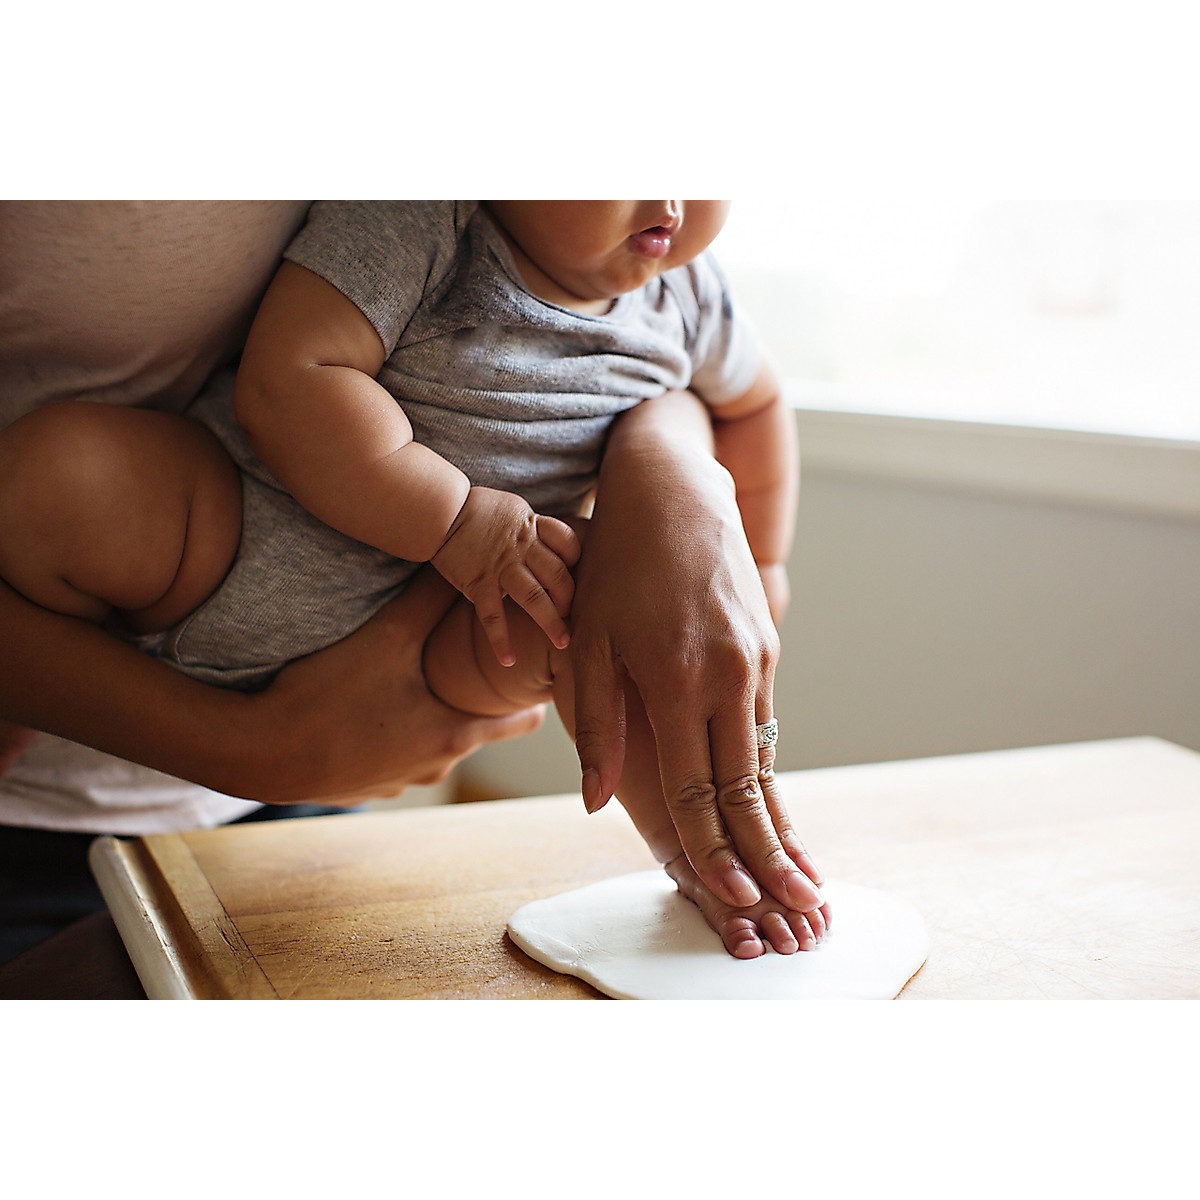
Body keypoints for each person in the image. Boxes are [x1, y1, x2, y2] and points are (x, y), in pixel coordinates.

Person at [0, 201, 826, 966]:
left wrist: (765, 564)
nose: (670, 201)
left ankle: (695, 855)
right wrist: (457, 520)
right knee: (57, 478)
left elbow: (753, 405)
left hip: (448, 627)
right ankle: (33, 676)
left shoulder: (691, 294)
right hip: (235, 533)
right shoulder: (424, 222)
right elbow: (292, 375)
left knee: (596, 642)